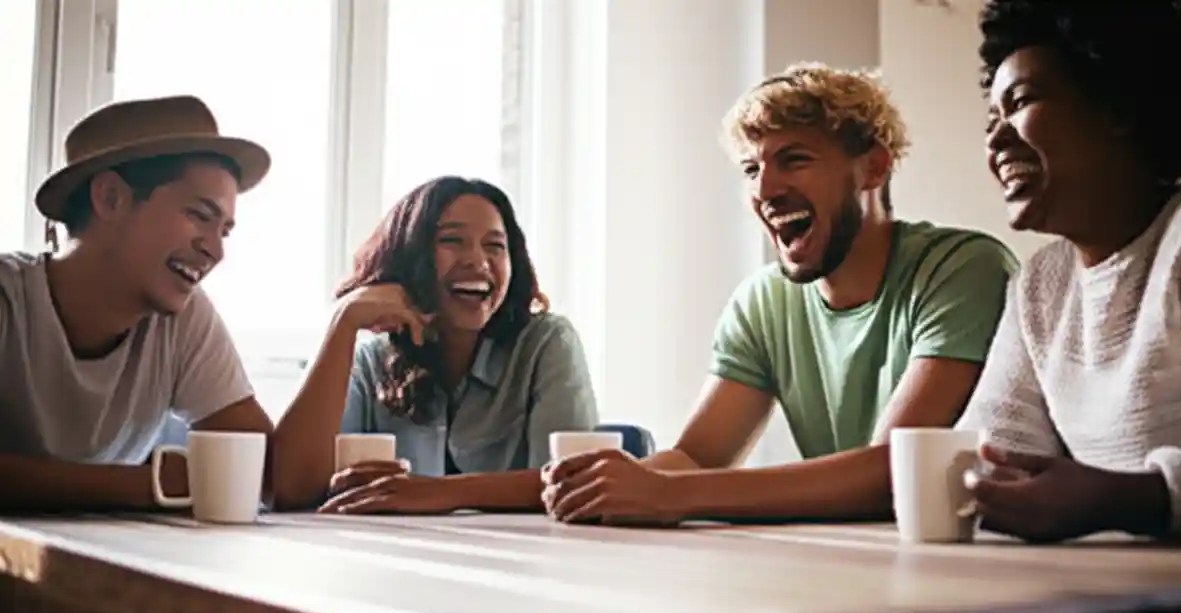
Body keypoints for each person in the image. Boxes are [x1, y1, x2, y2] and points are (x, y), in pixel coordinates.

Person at [542, 63, 1018, 525]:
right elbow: (695, 457)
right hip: (855, 559)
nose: (765, 188)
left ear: (874, 168)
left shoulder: (961, 269)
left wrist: (671, 494)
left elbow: (890, 472)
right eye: (751, 169)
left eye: (794, 159)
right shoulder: (763, 302)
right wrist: (600, 484)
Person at [957, 0, 1181, 542]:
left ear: (1116, 107)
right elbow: (990, 453)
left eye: (1020, 102)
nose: (995, 142)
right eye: (991, 120)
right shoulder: (1041, 284)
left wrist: (1122, 499)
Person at [0, 95, 276, 511]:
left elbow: (268, 473)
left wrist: (344, 324)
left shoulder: (183, 318)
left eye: (225, 230)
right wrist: (149, 485)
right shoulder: (8, 299)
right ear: (111, 198)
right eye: (200, 216)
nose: (216, 251)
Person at [270, 176, 599, 513]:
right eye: (452, 240)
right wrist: (343, 322)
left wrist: (439, 492)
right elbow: (287, 488)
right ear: (410, 258)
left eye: (495, 246)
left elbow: (575, 482)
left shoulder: (547, 343)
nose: (477, 261)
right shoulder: (371, 358)